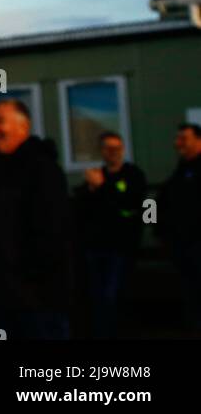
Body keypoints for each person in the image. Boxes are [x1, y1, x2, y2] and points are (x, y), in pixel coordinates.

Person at [0, 99, 73, 340]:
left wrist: (32, 284)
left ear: (24, 126)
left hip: (39, 300)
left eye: (0, 121)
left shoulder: (43, 171)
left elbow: (54, 233)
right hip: (6, 296)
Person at [74, 131, 146, 338]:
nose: (113, 152)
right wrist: (91, 189)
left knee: (113, 295)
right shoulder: (96, 176)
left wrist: (102, 188)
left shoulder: (133, 175)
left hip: (121, 247)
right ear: (101, 150)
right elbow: (83, 210)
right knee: (97, 296)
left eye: (117, 148)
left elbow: (131, 205)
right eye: (108, 148)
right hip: (95, 247)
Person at [159, 122, 201, 331]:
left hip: (196, 244)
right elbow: (155, 202)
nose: (178, 143)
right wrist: (155, 227)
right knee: (190, 293)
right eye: (177, 139)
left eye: (183, 138)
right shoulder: (180, 171)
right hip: (182, 246)